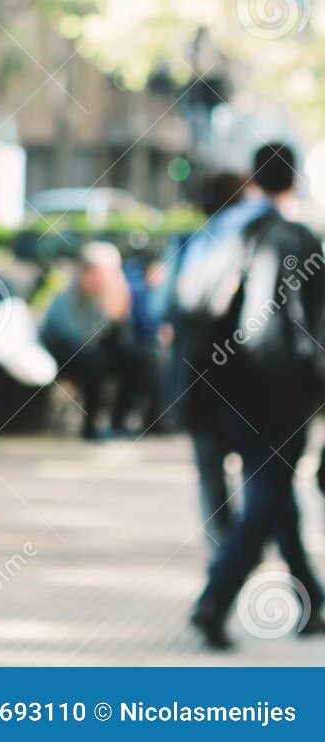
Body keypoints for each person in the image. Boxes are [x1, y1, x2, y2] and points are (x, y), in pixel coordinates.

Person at [185, 143, 325, 649]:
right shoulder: (301, 239)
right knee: (268, 492)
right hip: (283, 391)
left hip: (231, 386)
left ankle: (311, 598)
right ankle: (215, 601)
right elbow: (313, 328)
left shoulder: (232, 233)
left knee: (275, 492)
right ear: (293, 180)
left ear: (253, 178)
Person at [160, 170, 247, 551]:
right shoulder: (254, 238)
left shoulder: (188, 245)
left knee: (210, 470)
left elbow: (164, 305)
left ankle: (224, 549)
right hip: (246, 376)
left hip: (198, 373)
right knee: (260, 472)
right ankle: (243, 546)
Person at [38, 242, 145, 439]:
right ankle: (90, 427)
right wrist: (108, 315)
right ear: (87, 272)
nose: (108, 280)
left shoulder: (104, 295)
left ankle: (118, 423)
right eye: (105, 274)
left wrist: (121, 314)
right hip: (64, 356)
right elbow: (79, 340)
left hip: (92, 353)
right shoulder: (66, 299)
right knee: (93, 363)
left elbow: (121, 340)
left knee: (137, 359)